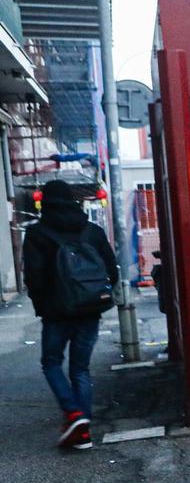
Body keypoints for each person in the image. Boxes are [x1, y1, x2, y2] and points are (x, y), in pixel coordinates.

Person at [22, 179, 118, 451]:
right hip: (90, 309)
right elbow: (112, 270)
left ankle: (73, 413)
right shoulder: (92, 231)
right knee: (80, 369)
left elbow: (34, 277)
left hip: (57, 312)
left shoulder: (38, 233)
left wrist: (43, 305)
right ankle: (83, 431)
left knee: (51, 363)